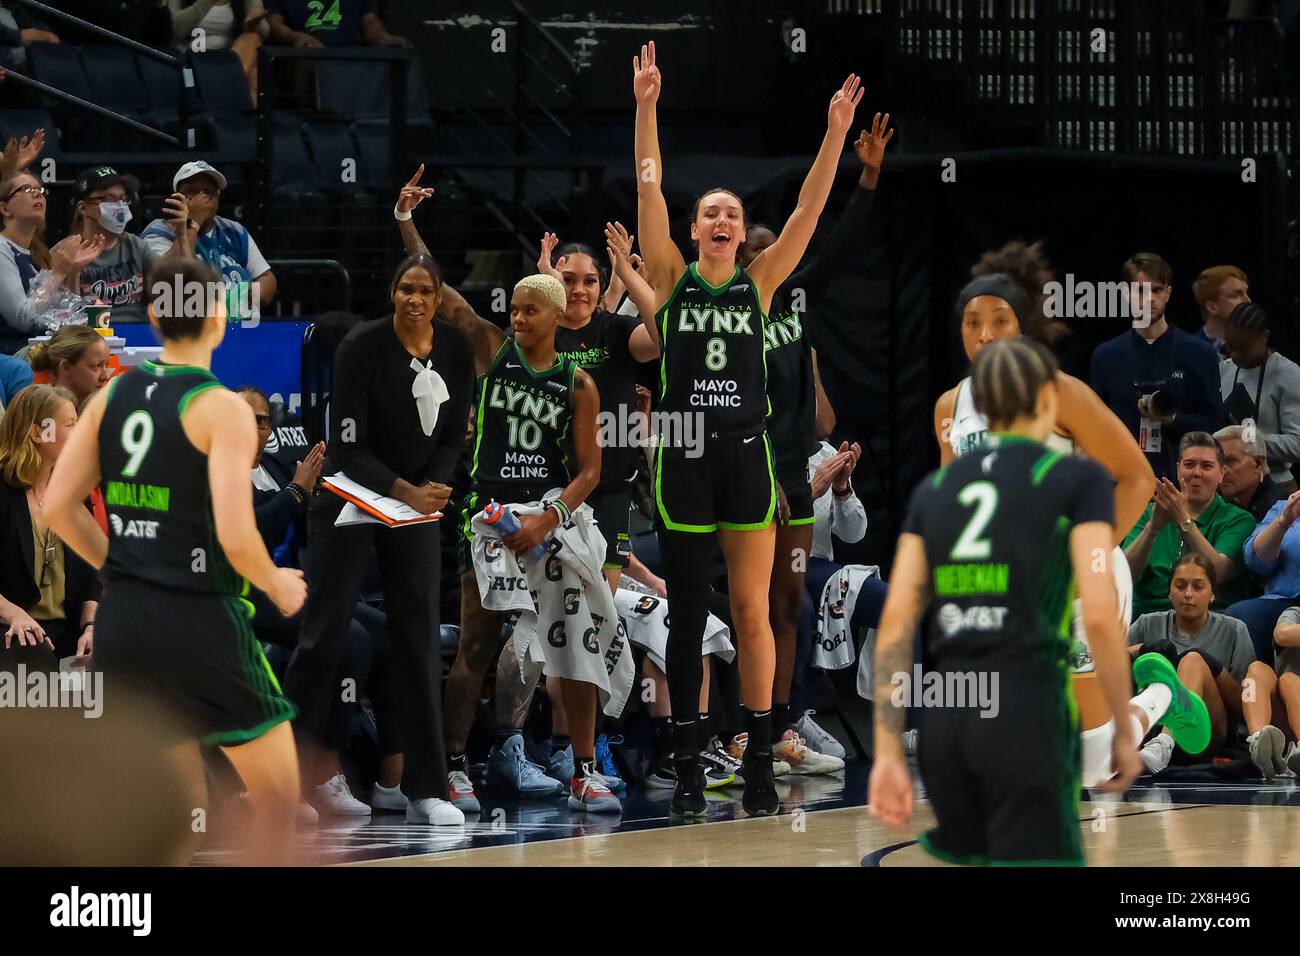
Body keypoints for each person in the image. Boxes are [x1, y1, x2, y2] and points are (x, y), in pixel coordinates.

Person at [631, 41, 862, 817]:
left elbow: (808, 211)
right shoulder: (671, 278)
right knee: (691, 612)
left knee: (755, 612)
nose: (722, 219)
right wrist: (646, 107)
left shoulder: (761, 284)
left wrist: (834, 135)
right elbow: (649, 186)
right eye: (711, 213)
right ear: (696, 231)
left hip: (748, 453)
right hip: (686, 453)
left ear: (740, 229)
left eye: (732, 212)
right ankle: (691, 764)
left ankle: (761, 760)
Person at [43, 256, 308, 865]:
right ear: (219, 317)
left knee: (167, 806)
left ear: (156, 316)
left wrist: (120, 568)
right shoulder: (224, 409)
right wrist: (277, 584)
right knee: (277, 798)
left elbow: (58, 504)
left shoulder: (112, 392)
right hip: (200, 618)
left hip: (125, 619)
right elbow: (238, 537)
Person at [869, 339, 1161, 865]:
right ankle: (1148, 706)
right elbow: (1097, 615)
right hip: (1029, 712)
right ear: (1049, 404)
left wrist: (888, 749)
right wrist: (1122, 721)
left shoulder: (935, 492)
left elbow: (894, 630)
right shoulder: (1077, 479)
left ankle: (1146, 708)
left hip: (951, 720)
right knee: (1088, 777)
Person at [932, 240, 1157, 792]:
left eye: (999, 321)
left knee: (1090, 768)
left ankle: (1154, 700)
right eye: (971, 322)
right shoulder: (948, 407)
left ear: (1024, 327)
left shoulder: (1060, 393)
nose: (983, 335)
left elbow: (1137, 479)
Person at [283, 254, 474, 826]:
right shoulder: (361, 347)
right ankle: (285, 781)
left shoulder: (457, 349)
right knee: (324, 636)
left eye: (425, 291)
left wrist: (431, 487)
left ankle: (426, 788)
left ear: (439, 300)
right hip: (350, 496)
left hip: (413, 499)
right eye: (405, 289)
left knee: (417, 636)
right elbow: (345, 446)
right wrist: (403, 490)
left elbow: (455, 432)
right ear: (392, 294)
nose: (415, 299)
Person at [735, 111, 890, 774]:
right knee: (758, 606)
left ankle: (781, 728)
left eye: (784, 252)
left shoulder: (795, 297)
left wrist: (870, 177)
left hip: (795, 474)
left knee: (788, 604)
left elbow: (843, 242)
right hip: (747, 470)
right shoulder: (729, 308)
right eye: (761, 252)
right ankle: (751, 728)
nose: (777, 260)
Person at [443, 274, 617, 814]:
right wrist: (406, 219)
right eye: (514, 310)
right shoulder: (495, 355)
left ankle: (584, 772)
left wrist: (550, 517)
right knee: (476, 644)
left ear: (558, 317)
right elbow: (449, 298)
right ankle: (452, 767)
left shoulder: (578, 382)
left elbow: (591, 470)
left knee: (573, 647)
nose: (518, 319)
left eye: (530, 311)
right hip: (490, 520)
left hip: (548, 520)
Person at [1090, 252, 1225, 481]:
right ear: (1125, 294)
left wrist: (1172, 419)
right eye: (1140, 290)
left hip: (1185, 483)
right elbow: (1094, 428)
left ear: (1168, 293)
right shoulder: (1106, 357)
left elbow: (1215, 425)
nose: (1149, 298)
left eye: (1157, 290)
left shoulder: (1199, 353)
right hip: (1123, 483)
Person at [0, 384, 97, 670]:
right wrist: (14, 615)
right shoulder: (3, 492)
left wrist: (91, 626)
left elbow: (92, 578)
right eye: (70, 425)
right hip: (13, 627)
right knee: (33, 658)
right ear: (38, 432)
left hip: (67, 628)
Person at [1128, 553, 1253, 773]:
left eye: (1198, 587)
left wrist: (1215, 670)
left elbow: (1244, 707)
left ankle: (1165, 743)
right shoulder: (1147, 624)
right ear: (1169, 591)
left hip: (1207, 734)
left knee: (1193, 660)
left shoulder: (1234, 630)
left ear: (1212, 593)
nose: (1188, 594)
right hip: (1150, 728)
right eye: (1180, 585)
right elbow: (1105, 665)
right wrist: (1141, 649)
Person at [1124, 431, 1256, 616]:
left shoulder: (1239, 519)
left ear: (1221, 473)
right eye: (1189, 464)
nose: (1196, 473)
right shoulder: (1148, 513)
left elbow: (1217, 572)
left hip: (1207, 617)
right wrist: (1152, 530)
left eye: (1207, 466)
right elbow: (1125, 573)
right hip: (1144, 614)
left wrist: (1182, 519)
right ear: (1178, 469)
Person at [142, 161, 277, 318]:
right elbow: (169, 285)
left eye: (208, 191)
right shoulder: (158, 232)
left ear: (218, 198)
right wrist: (193, 222)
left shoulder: (233, 230)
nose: (202, 198)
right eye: (192, 192)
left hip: (240, 328)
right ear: (177, 198)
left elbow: (267, 279)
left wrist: (240, 297)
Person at [0, 169, 103, 354]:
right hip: (11, 357)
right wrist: (57, 273)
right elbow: (23, 319)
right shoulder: (2, 249)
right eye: (27, 189)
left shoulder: (36, 256)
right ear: (5, 208)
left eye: (40, 190)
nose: (38, 193)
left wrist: (73, 272)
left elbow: (62, 318)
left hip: (38, 351)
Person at [64, 167, 183, 324]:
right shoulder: (64, 252)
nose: (119, 205)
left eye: (123, 199)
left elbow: (170, 286)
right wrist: (73, 272)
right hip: (89, 339)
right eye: (110, 199)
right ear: (83, 208)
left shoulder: (136, 245)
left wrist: (182, 233)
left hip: (139, 334)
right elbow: (64, 317)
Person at [1218, 301, 1300, 491]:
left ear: (1264, 337)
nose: (1236, 355)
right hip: (1228, 486)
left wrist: (1247, 444)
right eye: (1230, 347)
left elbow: (1297, 443)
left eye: (1243, 348)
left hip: (1275, 486)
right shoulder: (1225, 369)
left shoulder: (1288, 374)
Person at [1233, 490, 1300, 661]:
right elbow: (1256, 561)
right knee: (1241, 616)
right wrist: (1284, 521)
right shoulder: (1284, 506)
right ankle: (1256, 682)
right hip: (1283, 599)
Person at [167, 2, 269, 100]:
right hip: (188, 67)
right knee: (189, 92)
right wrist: (208, 2)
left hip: (227, 68)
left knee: (252, 39)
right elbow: (176, 29)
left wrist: (254, 25)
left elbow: (264, 32)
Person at [1244, 605, 1300, 778]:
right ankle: (1258, 741)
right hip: (1284, 724)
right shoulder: (1294, 613)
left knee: (1289, 681)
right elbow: (1281, 635)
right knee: (1256, 670)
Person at [1215, 424, 1286, 522]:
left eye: (1230, 461)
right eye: (1218, 462)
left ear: (1258, 463)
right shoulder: (1220, 501)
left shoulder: (1279, 510)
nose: (1222, 470)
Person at [27, 325, 111, 407]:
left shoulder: (107, 411)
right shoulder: (39, 414)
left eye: (106, 365)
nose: (105, 377)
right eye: (96, 366)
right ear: (66, 368)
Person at [266, 0, 407, 47]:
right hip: (303, 54)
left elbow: (370, 20)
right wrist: (295, 37)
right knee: (309, 58)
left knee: (402, 54)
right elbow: (274, 24)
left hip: (351, 54)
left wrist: (382, 37)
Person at [1192, 264, 1249, 355]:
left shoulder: (1255, 347)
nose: (1248, 301)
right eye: (1236, 295)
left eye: (1246, 293)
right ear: (1212, 307)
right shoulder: (1188, 351)